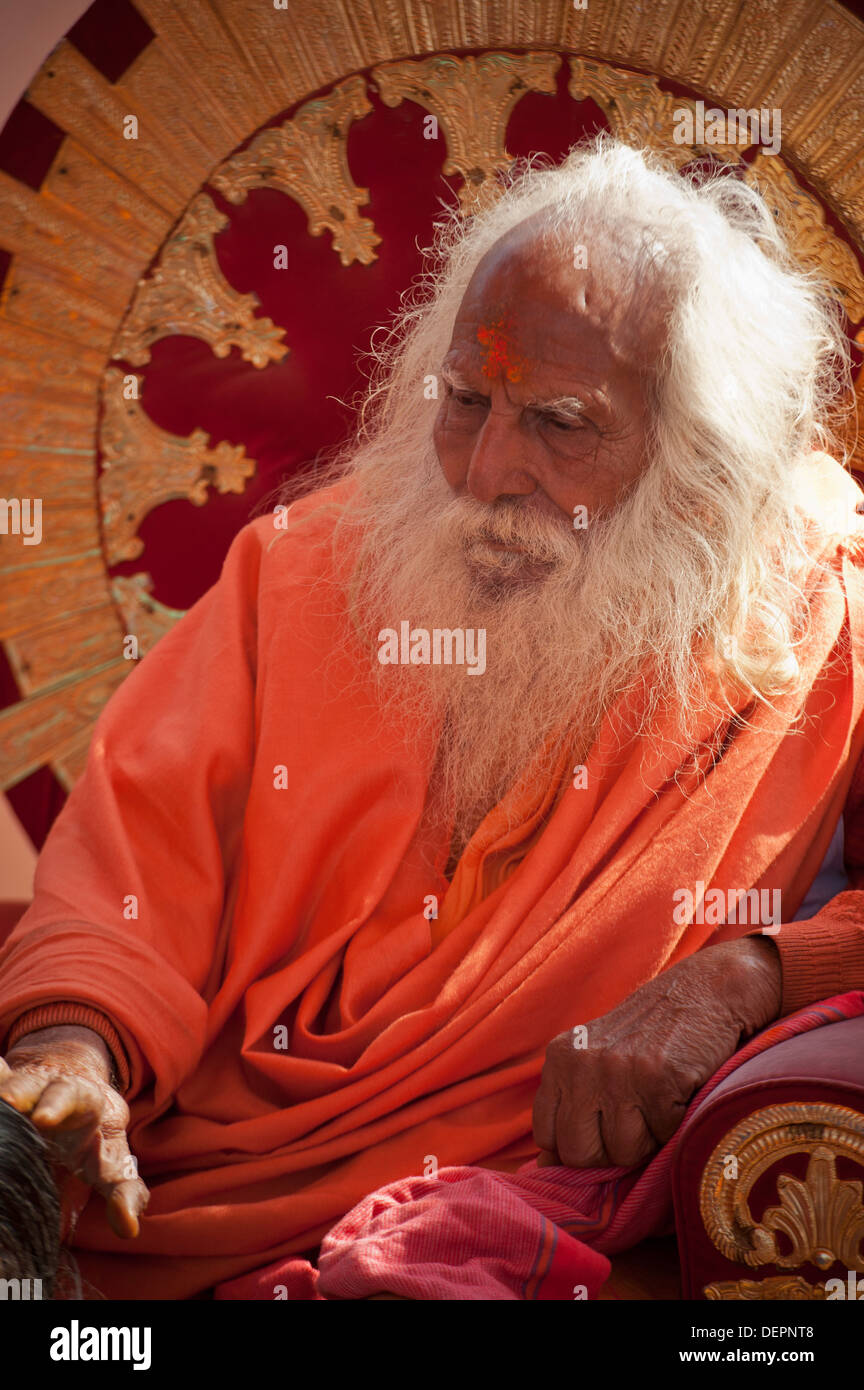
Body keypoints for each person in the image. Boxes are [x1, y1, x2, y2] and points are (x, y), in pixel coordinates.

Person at [2, 136, 864, 1300]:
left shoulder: (822, 606)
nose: (487, 469)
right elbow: (132, 872)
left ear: (699, 461)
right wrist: (73, 1047)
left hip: (498, 1195)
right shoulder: (305, 570)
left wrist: (748, 973)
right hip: (166, 1183)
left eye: (561, 423)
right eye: (466, 401)